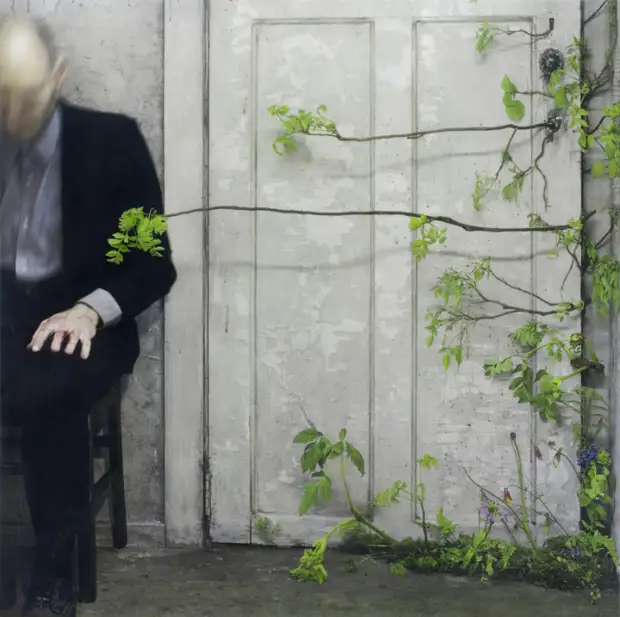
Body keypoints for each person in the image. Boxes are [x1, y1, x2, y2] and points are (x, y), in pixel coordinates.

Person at [0, 15, 177, 616]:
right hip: (3, 312)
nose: (12, 114)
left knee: (50, 390)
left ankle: (54, 570)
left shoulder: (113, 141)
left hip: (78, 316)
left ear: (58, 78)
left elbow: (154, 264)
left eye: (25, 96)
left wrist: (89, 310)